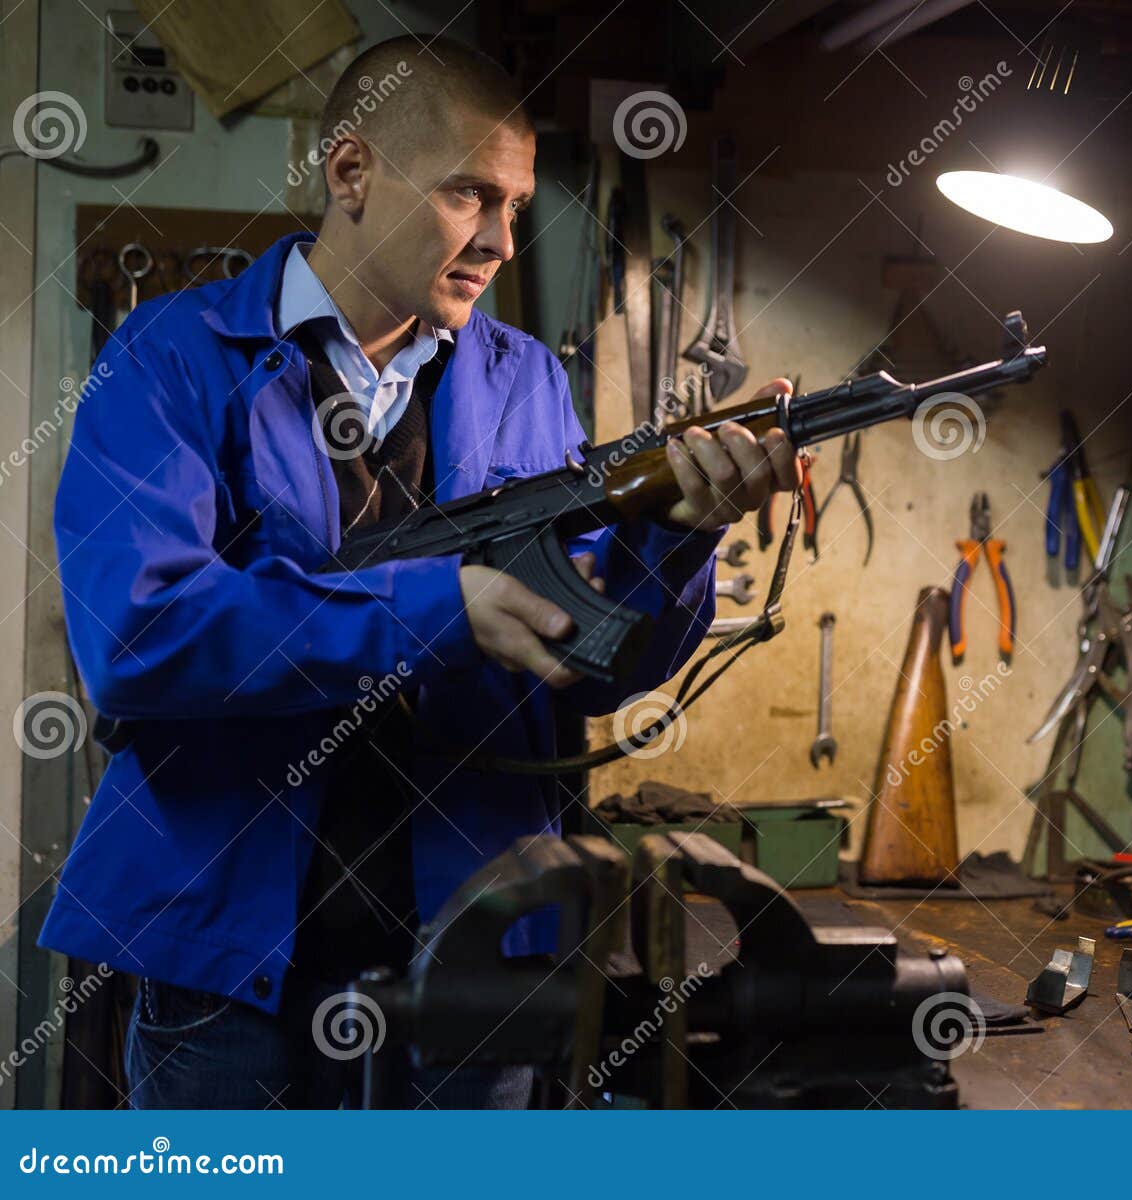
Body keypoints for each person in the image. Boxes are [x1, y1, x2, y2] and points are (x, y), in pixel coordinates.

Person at [38, 34, 796, 1109]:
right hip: (231, 967)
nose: (496, 239)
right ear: (350, 174)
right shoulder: (169, 358)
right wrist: (434, 610)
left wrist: (677, 537)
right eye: (466, 196)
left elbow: (589, 659)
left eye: (515, 205)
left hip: (479, 949)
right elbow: (137, 637)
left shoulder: (528, 380)